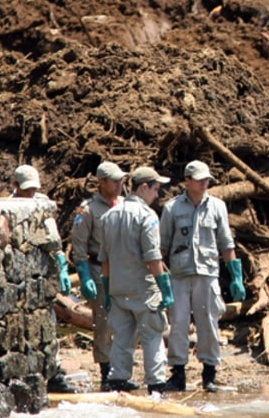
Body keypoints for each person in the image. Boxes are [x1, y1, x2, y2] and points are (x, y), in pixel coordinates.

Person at [158, 160, 246, 392]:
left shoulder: (217, 206)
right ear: (187, 181)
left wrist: (236, 275)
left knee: (209, 323)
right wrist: (159, 279)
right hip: (179, 275)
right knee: (178, 324)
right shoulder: (172, 208)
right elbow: (162, 246)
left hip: (207, 274)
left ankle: (210, 374)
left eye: (207, 179)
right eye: (200, 179)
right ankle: (177, 374)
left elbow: (226, 243)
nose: (205, 183)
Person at [99, 166, 175, 395]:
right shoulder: (147, 216)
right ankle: (156, 386)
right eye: (156, 189)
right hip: (143, 289)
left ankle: (118, 383)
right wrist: (165, 288)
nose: (157, 195)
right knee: (152, 335)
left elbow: (104, 260)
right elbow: (153, 258)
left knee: (122, 337)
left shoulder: (108, 216)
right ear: (144, 187)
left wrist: (107, 289)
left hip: (118, 289)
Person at [9, 164, 77, 394]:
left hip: (42, 274)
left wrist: (62, 267)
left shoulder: (42, 205)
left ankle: (54, 373)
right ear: (15, 186)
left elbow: (55, 242)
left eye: (33, 189)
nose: (30, 194)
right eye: (26, 189)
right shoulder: (7, 209)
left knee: (48, 324)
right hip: (17, 276)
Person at [70, 161, 136, 391]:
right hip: (99, 269)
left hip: (124, 269)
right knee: (105, 321)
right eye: (115, 180)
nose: (120, 184)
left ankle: (123, 371)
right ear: (102, 183)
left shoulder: (126, 205)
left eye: (121, 180)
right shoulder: (88, 210)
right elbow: (78, 246)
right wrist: (85, 275)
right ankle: (107, 373)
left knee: (127, 320)